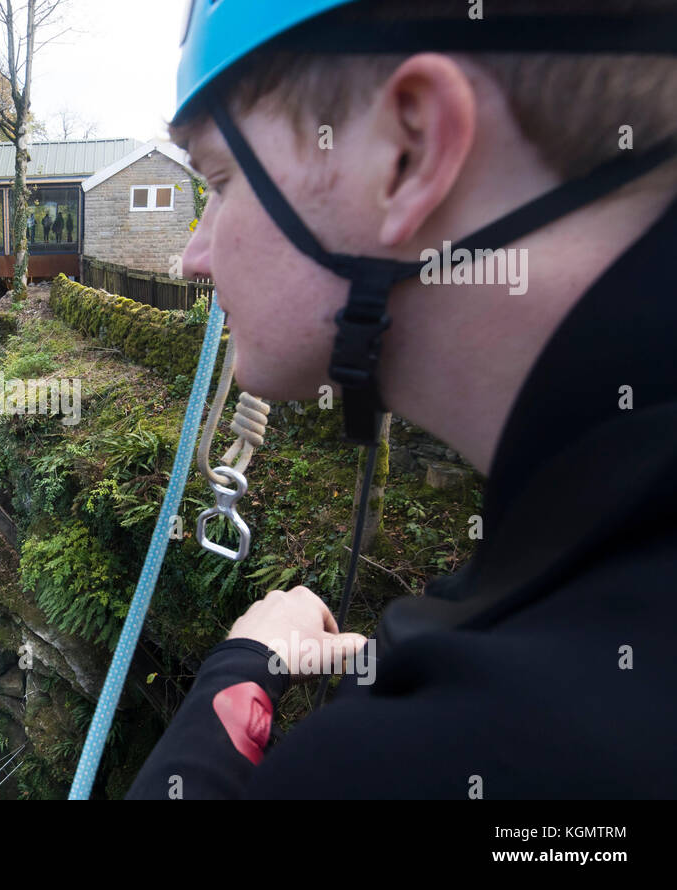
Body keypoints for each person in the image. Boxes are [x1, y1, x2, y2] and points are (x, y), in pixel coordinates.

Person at [126, 0, 677, 799]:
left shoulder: (452, 751)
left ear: (408, 152)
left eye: (220, 178)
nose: (192, 258)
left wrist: (241, 668)